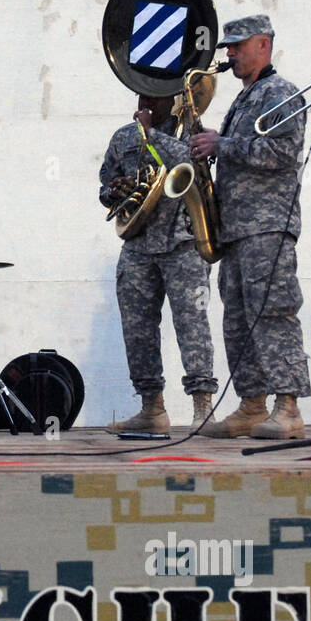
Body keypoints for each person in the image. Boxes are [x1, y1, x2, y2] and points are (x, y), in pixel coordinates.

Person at [189, 15, 310, 439]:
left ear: (264, 44)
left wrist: (223, 144)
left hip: (267, 226)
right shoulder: (247, 96)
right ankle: (252, 405)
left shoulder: (279, 92)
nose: (230, 54)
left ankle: (288, 407)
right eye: (228, 47)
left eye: (238, 45)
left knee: (273, 313)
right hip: (238, 229)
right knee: (238, 320)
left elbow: (282, 150)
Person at [99, 93, 217, 433]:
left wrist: (153, 136)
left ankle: (202, 408)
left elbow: (194, 167)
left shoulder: (191, 132)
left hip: (183, 240)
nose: (147, 100)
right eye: (142, 93)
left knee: (191, 325)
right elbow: (105, 183)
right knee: (137, 328)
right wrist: (115, 192)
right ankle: (152, 409)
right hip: (138, 241)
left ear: (172, 99)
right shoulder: (124, 136)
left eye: (156, 95)